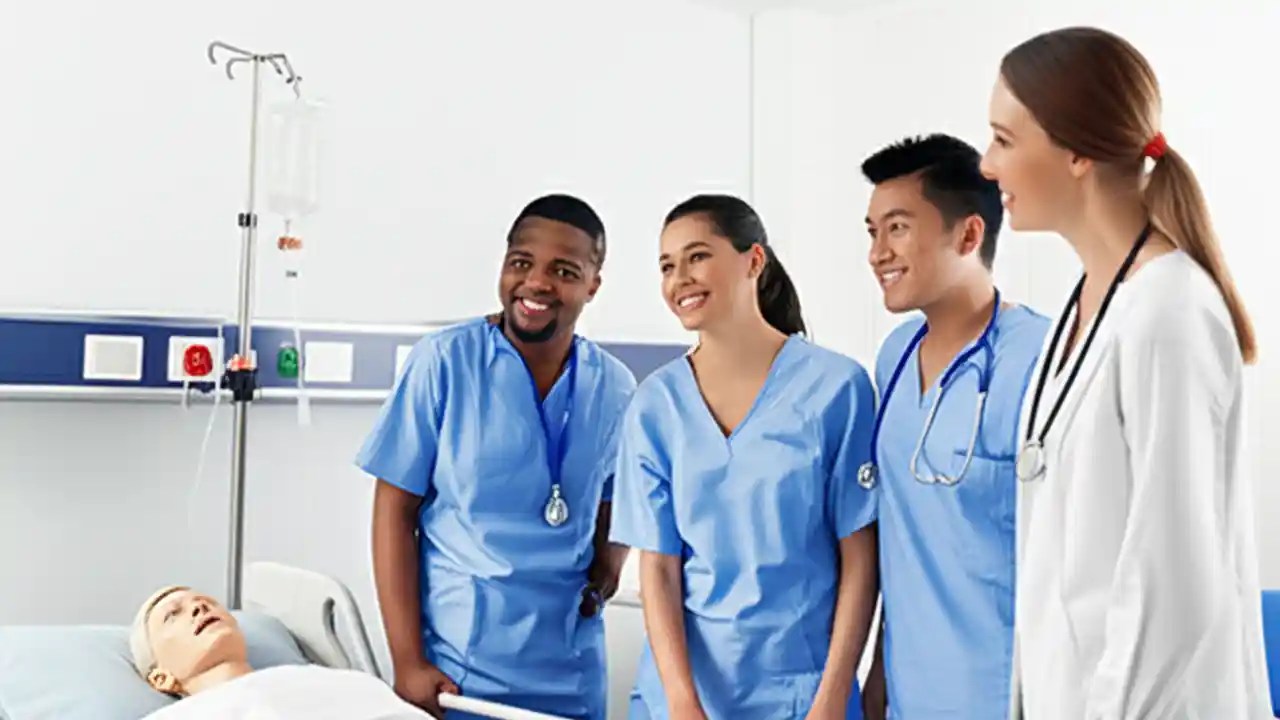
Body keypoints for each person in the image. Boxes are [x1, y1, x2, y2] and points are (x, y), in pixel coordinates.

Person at [980, 26, 1271, 718]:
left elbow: (1175, 583)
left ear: (1076, 152)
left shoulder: (1170, 312)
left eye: (1004, 139)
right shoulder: (1088, 307)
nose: (987, 165)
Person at [355, 194, 637, 720]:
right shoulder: (444, 363)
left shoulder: (615, 387)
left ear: (593, 285)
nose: (536, 283)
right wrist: (407, 662)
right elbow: (393, 513)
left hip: (571, 674)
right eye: (522, 263)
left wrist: (606, 572)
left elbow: (617, 499)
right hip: (458, 674)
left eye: (564, 270)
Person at [609, 194, 879, 719]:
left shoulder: (836, 388)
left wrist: (830, 699)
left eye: (697, 256)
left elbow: (861, 559)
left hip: (802, 695)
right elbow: (659, 569)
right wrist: (683, 704)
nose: (679, 278)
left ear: (754, 260)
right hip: (684, 696)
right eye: (667, 266)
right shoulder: (656, 405)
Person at [856, 134, 1049, 720]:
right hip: (909, 692)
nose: (877, 253)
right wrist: (880, 675)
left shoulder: (1042, 361)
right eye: (871, 232)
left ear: (968, 234)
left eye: (897, 228)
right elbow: (905, 532)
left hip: (1009, 693)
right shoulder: (893, 357)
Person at [129, 585, 429, 719]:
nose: (199, 606)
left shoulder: (340, 682)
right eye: (173, 615)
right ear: (161, 678)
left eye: (206, 600)